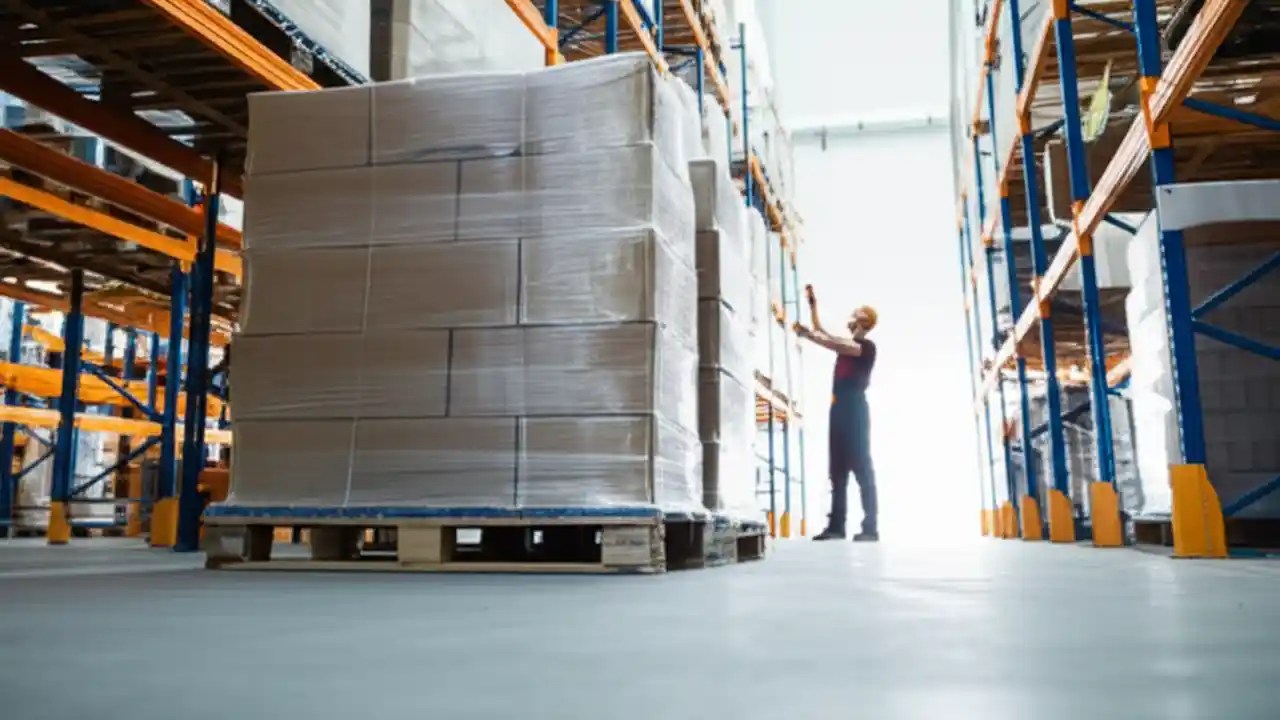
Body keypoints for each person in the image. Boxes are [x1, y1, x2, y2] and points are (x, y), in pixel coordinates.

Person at [794, 305, 879, 542]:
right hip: (838, 408)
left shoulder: (865, 347)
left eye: (856, 316)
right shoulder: (848, 345)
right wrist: (812, 306)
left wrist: (809, 335)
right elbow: (826, 333)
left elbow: (832, 342)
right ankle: (836, 528)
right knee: (837, 469)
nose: (850, 319)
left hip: (854, 409)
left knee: (862, 467)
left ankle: (870, 528)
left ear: (864, 321)